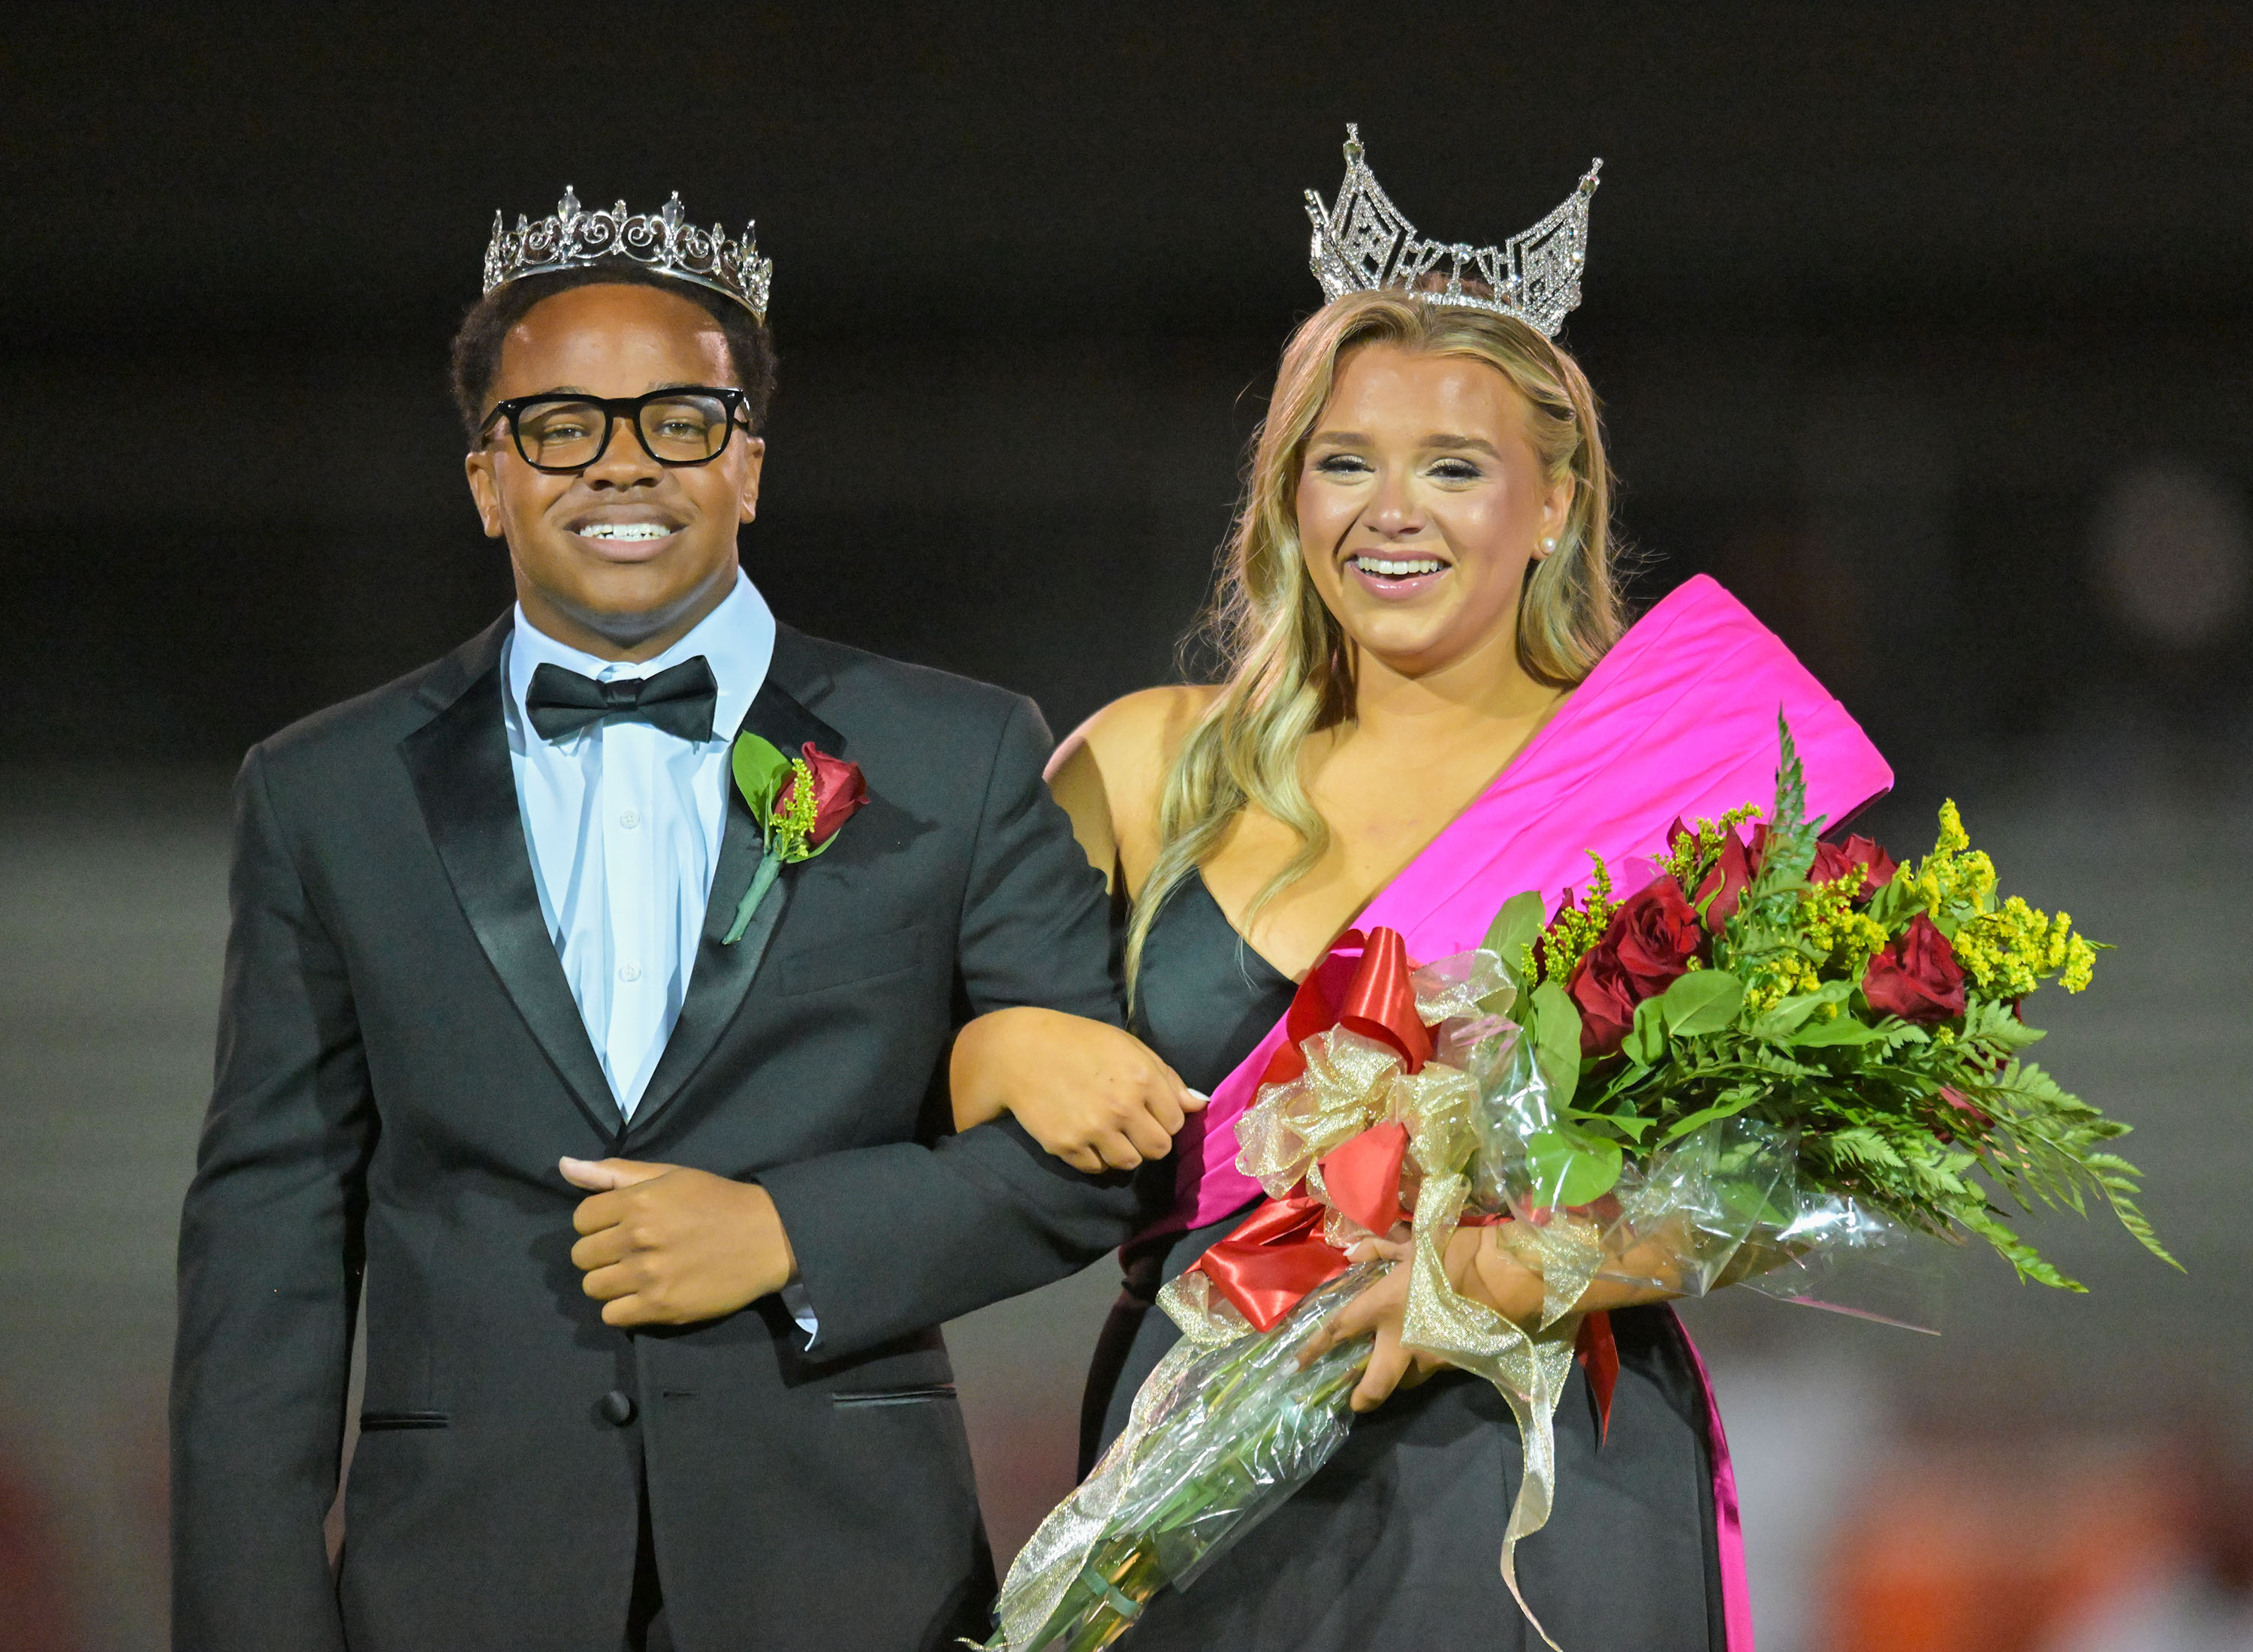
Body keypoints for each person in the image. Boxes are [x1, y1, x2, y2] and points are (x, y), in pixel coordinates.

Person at [167, 188, 1192, 1652]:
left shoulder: (956, 754)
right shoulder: (323, 792)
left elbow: (1087, 1164)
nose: (622, 463)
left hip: (850, 1584)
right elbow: (264, 1246)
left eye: (679, 419)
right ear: (486, 475)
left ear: (750, 463)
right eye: (563, 424)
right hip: (459, 1590)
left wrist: (792, 1231)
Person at [959, 132, 1893, 1648]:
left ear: (1554, 501)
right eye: (1346, 462)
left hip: (1547, 1456)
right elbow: (953, 1094)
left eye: (1454, 468)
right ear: (1286, 494)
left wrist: (1496, 1269)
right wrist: (988, 1045)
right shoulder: (1143, 766)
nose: (1391, 510)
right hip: (1202, 1455)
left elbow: (1791, 1166)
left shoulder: (1680, 773)